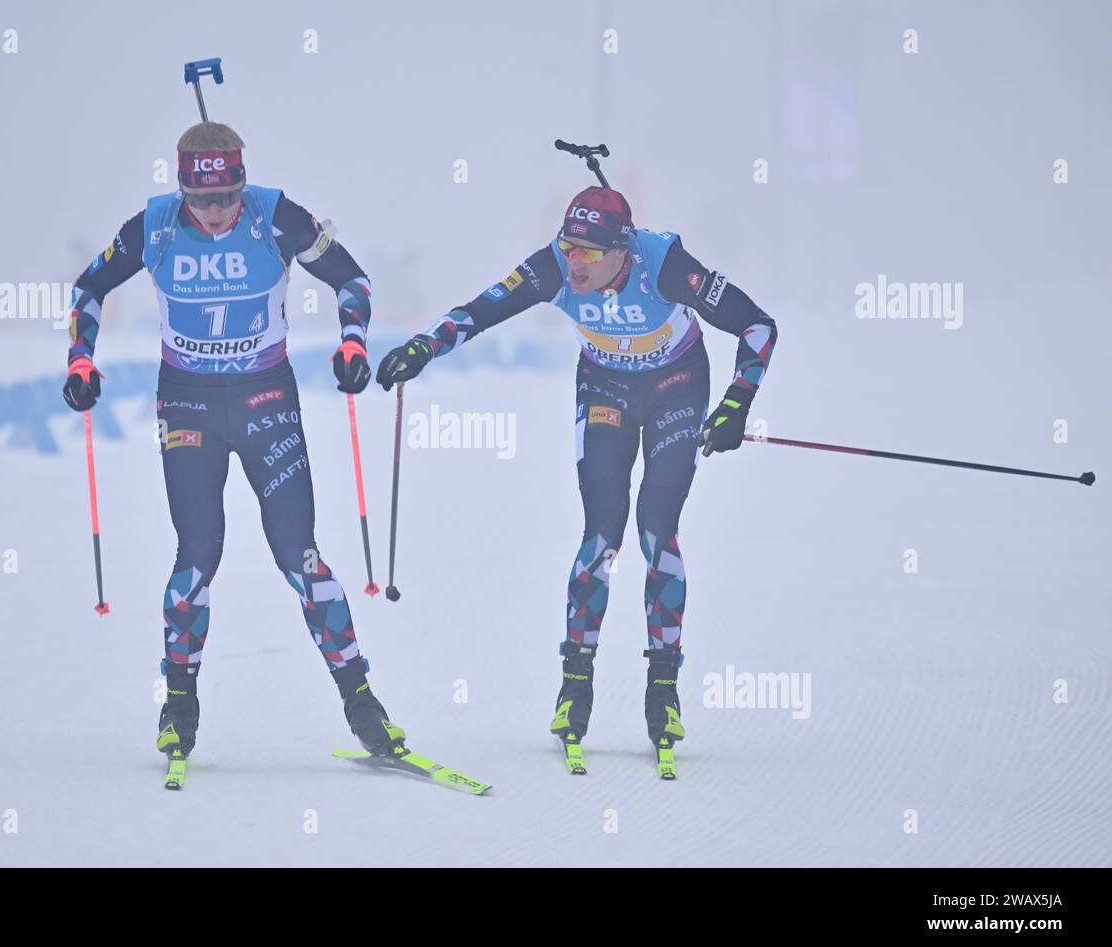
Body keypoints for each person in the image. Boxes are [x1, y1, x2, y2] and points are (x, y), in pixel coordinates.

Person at [376, 185, 778, 758]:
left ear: (624, 249)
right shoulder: (553, 268)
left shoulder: (663, 263)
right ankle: (575, 686)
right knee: (601, 536)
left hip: (676, 387)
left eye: (591, 252)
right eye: (569, 247)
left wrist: (737, 403)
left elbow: (758, 326)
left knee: (656, 530)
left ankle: (663, 689)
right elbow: (479, 311)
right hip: (606, 387)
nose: (576, 262)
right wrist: (420, 349)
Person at [62, 121, 405, 764]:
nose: (217, 214)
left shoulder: (276, 216)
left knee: (299, 555)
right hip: (188, 402)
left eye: (228, 199)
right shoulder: (157, 224)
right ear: (182, 190)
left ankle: (362, 703)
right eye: (204, 202)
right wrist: (80, 360)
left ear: (243, 186)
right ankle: (179, 706)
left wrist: (353, 342)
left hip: (264, 399)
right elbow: (89, 288)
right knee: (197, 556)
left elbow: (352, 279)